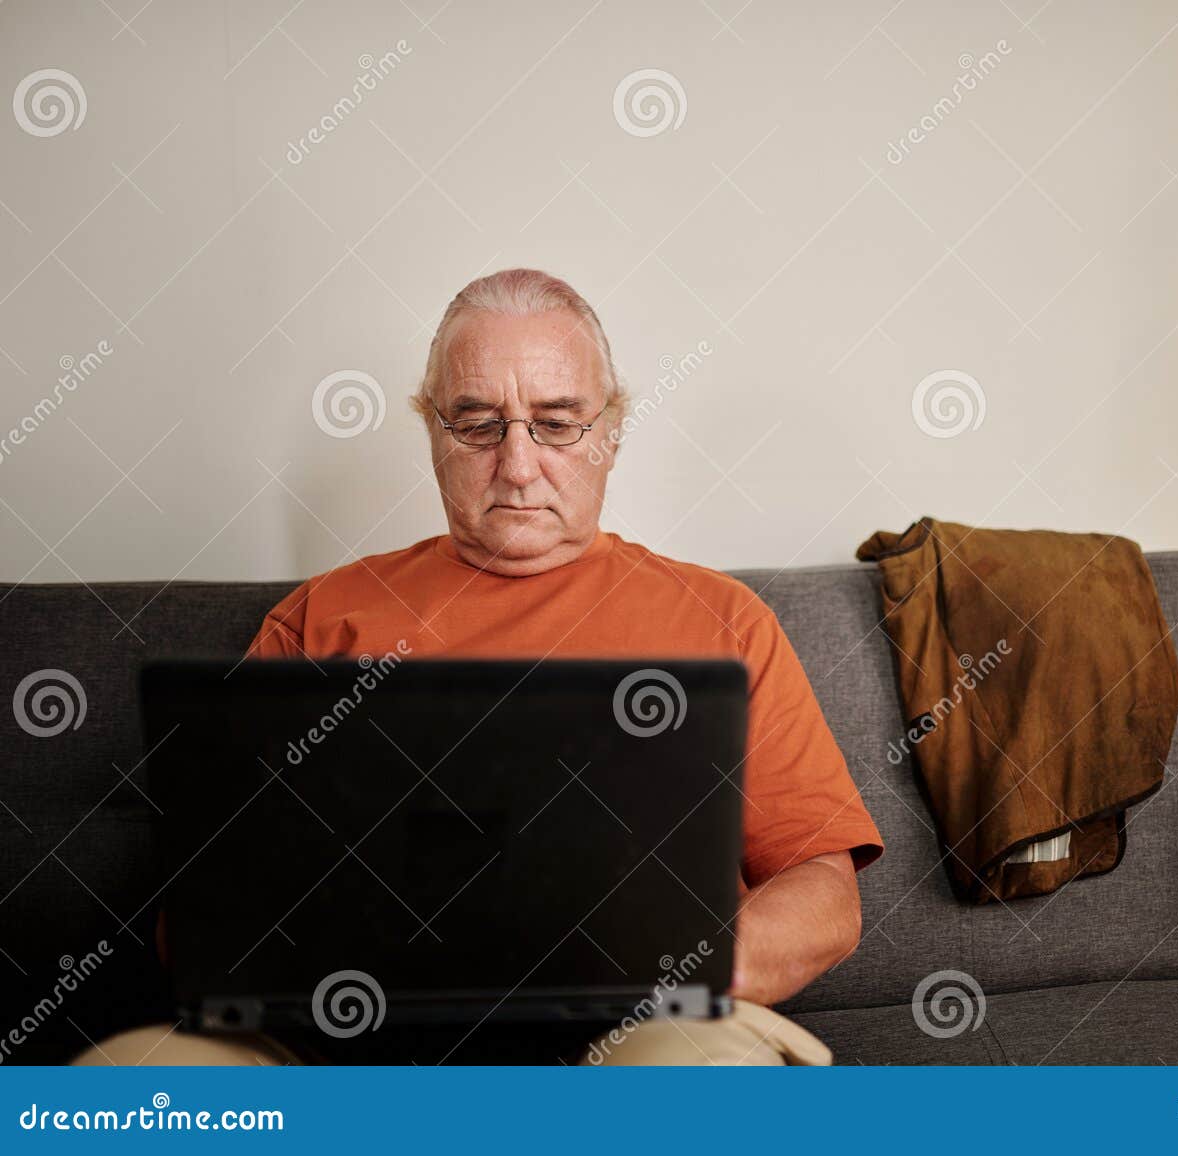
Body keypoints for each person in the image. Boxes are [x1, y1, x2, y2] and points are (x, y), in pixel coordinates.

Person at [76, 269, 882, 1067]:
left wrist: (670, 972)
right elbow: (198, 917)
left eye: (557, 423)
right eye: (478, 424)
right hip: (347, 1038)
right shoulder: (323, 617)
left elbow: (823, 894)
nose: (519, 466)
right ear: (433, 431)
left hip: (643, 1031)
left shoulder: (723, 619)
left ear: (611, 431)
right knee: (131, 1079)